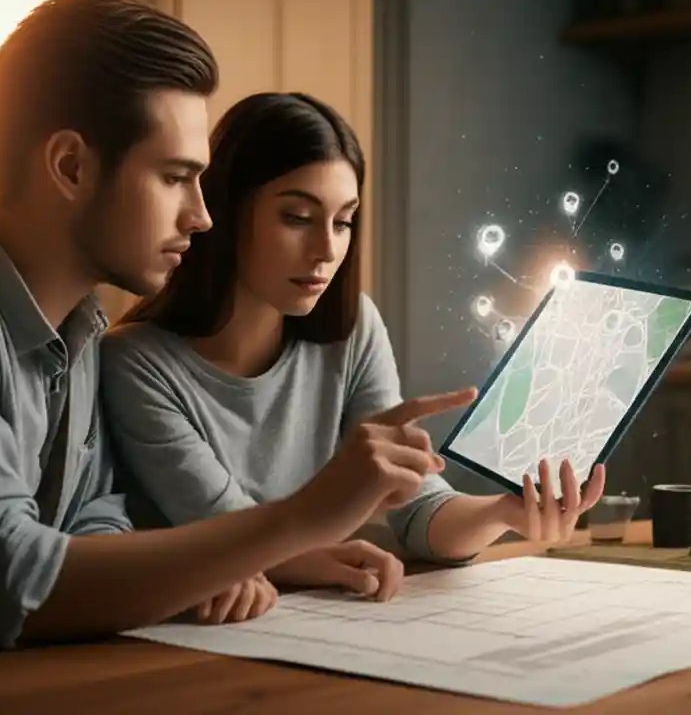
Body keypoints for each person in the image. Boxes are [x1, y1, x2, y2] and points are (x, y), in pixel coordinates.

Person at [0, 0, 464, 648]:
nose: (203, 217)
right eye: (175, 177)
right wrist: (301, 518)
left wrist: (180, 575)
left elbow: (93, 516)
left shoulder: (80, 329)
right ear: (70, 166)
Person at [101, 92, 608, 609]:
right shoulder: (134, 363)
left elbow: (415, 508)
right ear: (226, 213)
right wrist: (323, 559)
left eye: (343, 221)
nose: (326, 249)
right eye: (298, 217)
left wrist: (504, 513)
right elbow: (227, 534)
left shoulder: (353, 329)